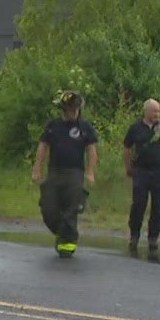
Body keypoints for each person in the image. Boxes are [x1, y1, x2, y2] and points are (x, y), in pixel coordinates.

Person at [32, 89, 98, 258]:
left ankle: (67, 245)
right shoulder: (53, 126)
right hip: (55, 173)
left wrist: (90, 172)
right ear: (64, 109)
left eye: (76, 109)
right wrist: (37, 169)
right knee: (48, 209)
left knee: (71, 209)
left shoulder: (85, 127)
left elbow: (91, 150)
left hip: (75, 174)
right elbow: (43, 147)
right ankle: (62, 232)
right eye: (70, 109)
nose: (73, 113)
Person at [121, 98, 160, 258]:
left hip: (159, 172)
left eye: (159, 111)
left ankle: (153, 238)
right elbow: (127, 147)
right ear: (146, 111)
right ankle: (134, 235)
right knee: (138, 204)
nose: (157, 114)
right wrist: (128, 167)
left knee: (158, 206)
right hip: (141, 171)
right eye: (154, 111)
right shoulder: (135, 128)